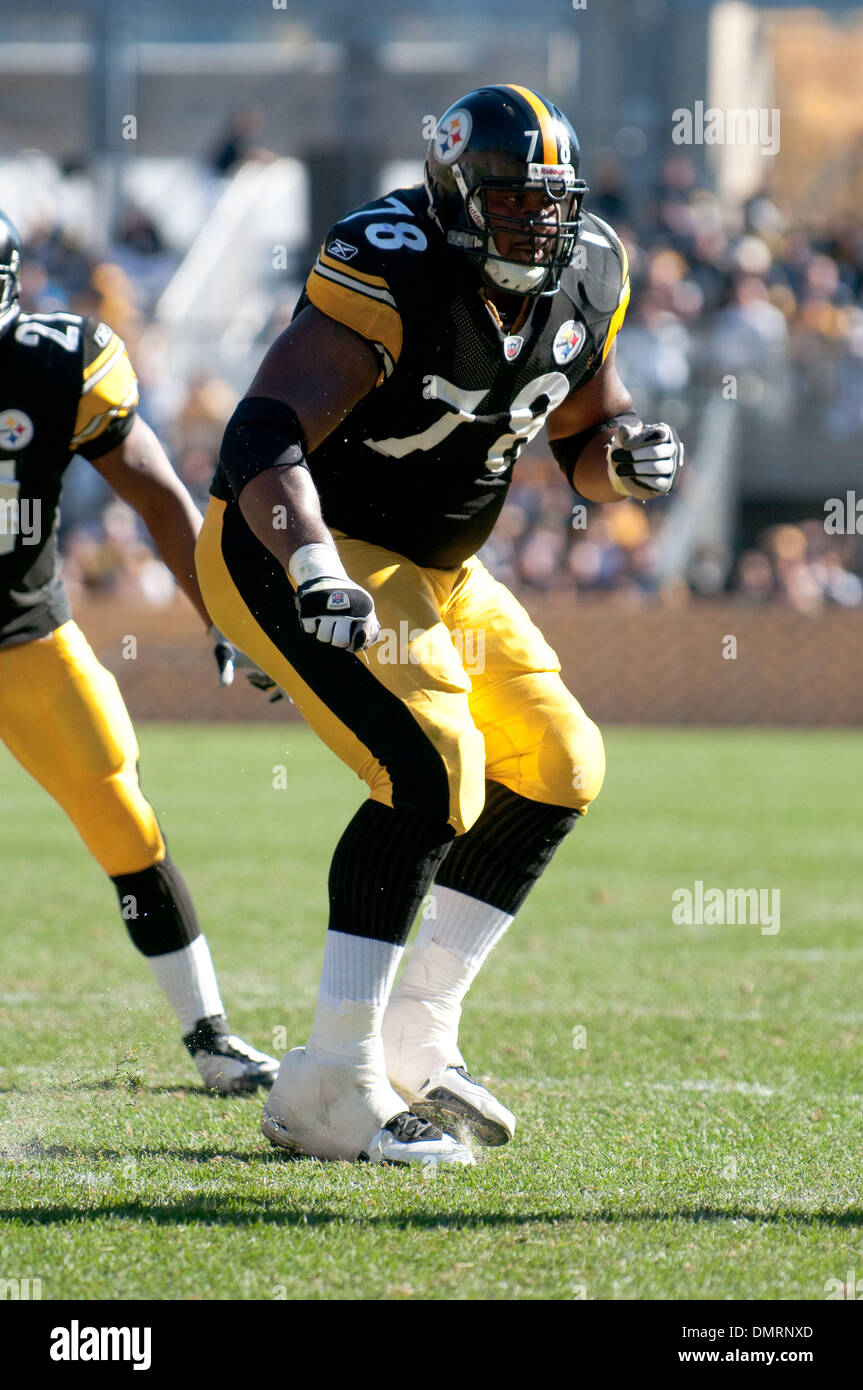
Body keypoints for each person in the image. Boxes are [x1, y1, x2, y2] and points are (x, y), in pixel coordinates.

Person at [197, 85, 684, 1163]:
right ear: (457, 197)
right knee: (431, 765)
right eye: (510, 205)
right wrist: (313, 564)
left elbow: (584, 443)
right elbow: (259, 432)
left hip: (436, 567)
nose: (534, 228)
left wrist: (627, 460)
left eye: (548, 206)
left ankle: (418, 1031)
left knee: (560, 761)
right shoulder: (392, 264)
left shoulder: (587, 271)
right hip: (287, 541)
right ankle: (329, 1079)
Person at [0, 209, 279, 1094]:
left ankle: (209, 1036)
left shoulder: (52, 361)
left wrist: (221, 612)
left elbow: (159, 498)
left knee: (121, 814)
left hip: (22, 637)